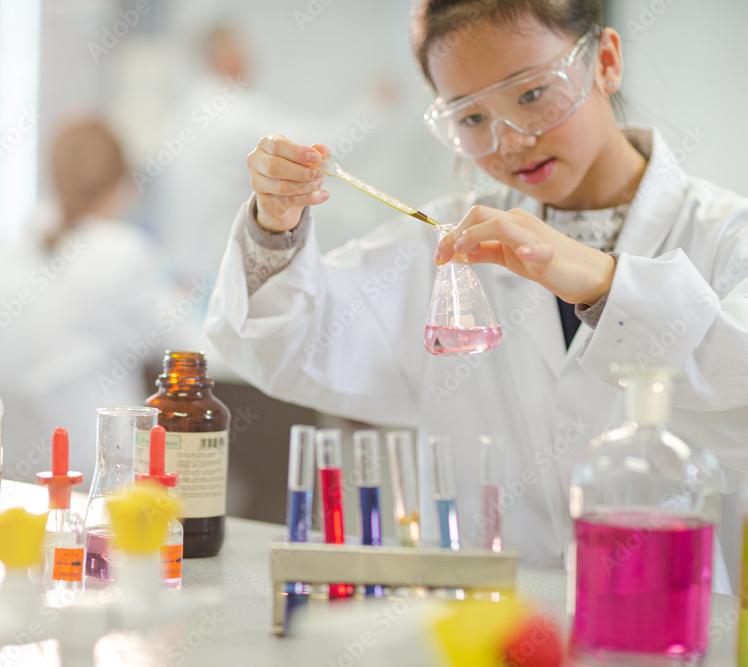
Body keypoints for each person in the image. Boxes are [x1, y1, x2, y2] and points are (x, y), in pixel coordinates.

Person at [205, 0, 748, 582]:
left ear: (606, 62)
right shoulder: (449, 243)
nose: (509, 140)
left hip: (661, 618)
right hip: (485, 621)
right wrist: (275, 224)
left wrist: (604, 282)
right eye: (471, 119)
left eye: (532, 94)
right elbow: (290, 344)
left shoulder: (724, 234)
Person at [0, 118, 184, 482]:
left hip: (11, 472)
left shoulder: (4, 248)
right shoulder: (123, 251)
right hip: (93, 477)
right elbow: (180, 343)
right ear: (120, 184)